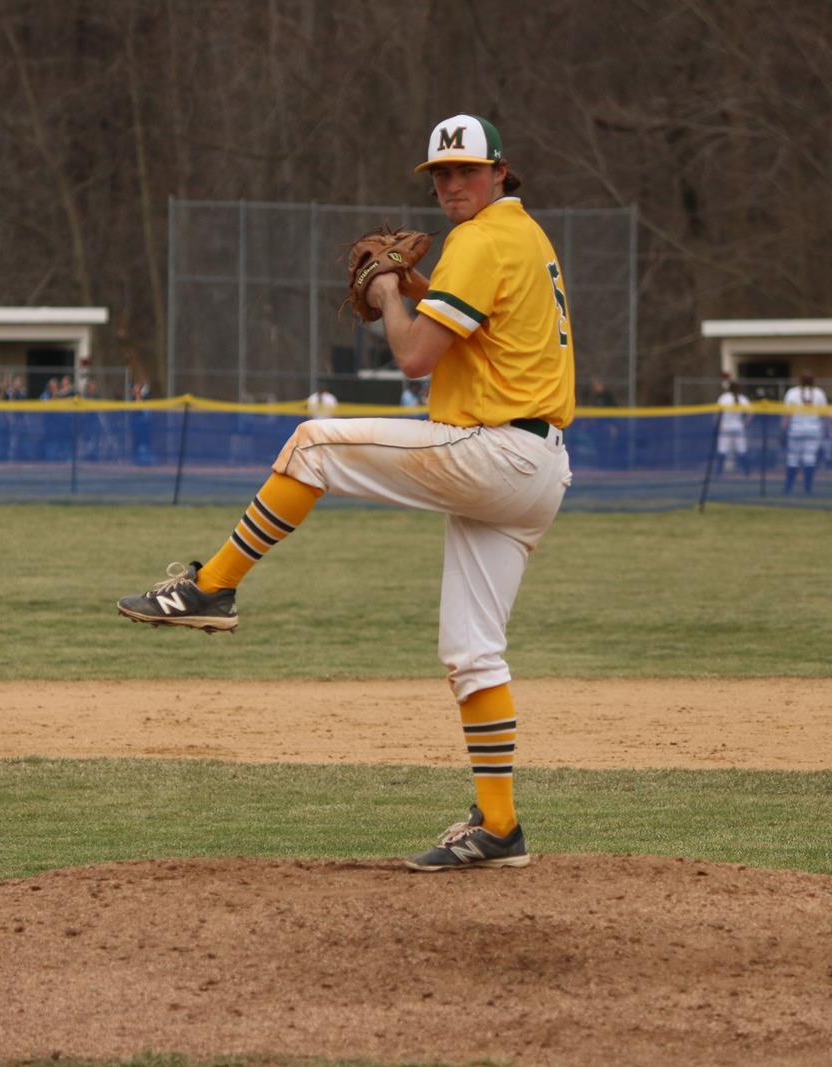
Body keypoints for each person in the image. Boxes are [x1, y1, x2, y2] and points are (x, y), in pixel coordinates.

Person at [118, 112, 573, 872]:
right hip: (536, 469)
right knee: (471, 653)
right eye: (441, 174)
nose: (452, 184)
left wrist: (393, 288)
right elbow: (475, 329)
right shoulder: (523, 237)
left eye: (466, 170)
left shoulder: (484, 238)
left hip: (496, 451)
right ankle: (500, 827)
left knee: (313, 443)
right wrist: (415, 287)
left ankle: (213, 588)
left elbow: (415, 354)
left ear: (501, 172)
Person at [781, 372, 828, 494]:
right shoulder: (819, 393)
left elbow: (787, 415)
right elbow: (825, 414)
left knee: (792, 458)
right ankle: (808, 487)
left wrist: (783, 430)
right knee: (809, 458)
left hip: (796, 429)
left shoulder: (792, 392)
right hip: (813, 429)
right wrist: (828, 428)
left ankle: (788, 487)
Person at [715, 380, 752, 475]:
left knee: (722, 449)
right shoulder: (742, 398)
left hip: (725, 427)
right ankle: (746, 472)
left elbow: (717, 413)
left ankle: (719, 473)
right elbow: (750, 413)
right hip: (738, 427)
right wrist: (745, 423)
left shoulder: (724, 398)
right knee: (742, 449)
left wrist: (717, 424)